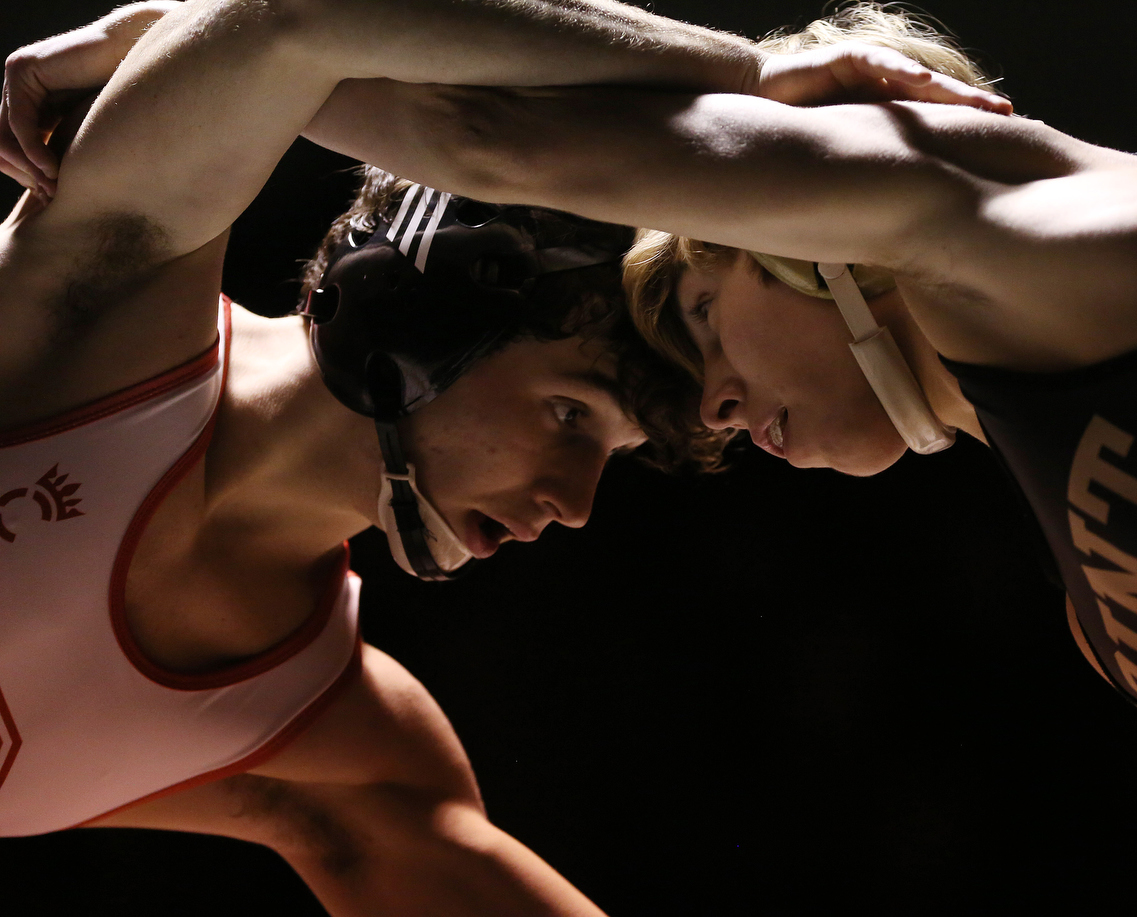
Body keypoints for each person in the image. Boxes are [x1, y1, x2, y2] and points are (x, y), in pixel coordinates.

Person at [187, 2, 1137, 912]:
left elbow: (474, 132)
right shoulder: (1110, 614)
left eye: (703, 311)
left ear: (815, 235)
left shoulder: (1090, 240)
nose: (716, 403)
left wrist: (209, 53)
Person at [0, 1, 1008, 912]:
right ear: (421, 300)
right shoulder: (93, 313)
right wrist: (747, 77)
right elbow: (289, 19)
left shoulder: (334, 752)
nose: (573, 504)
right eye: (572, 413)